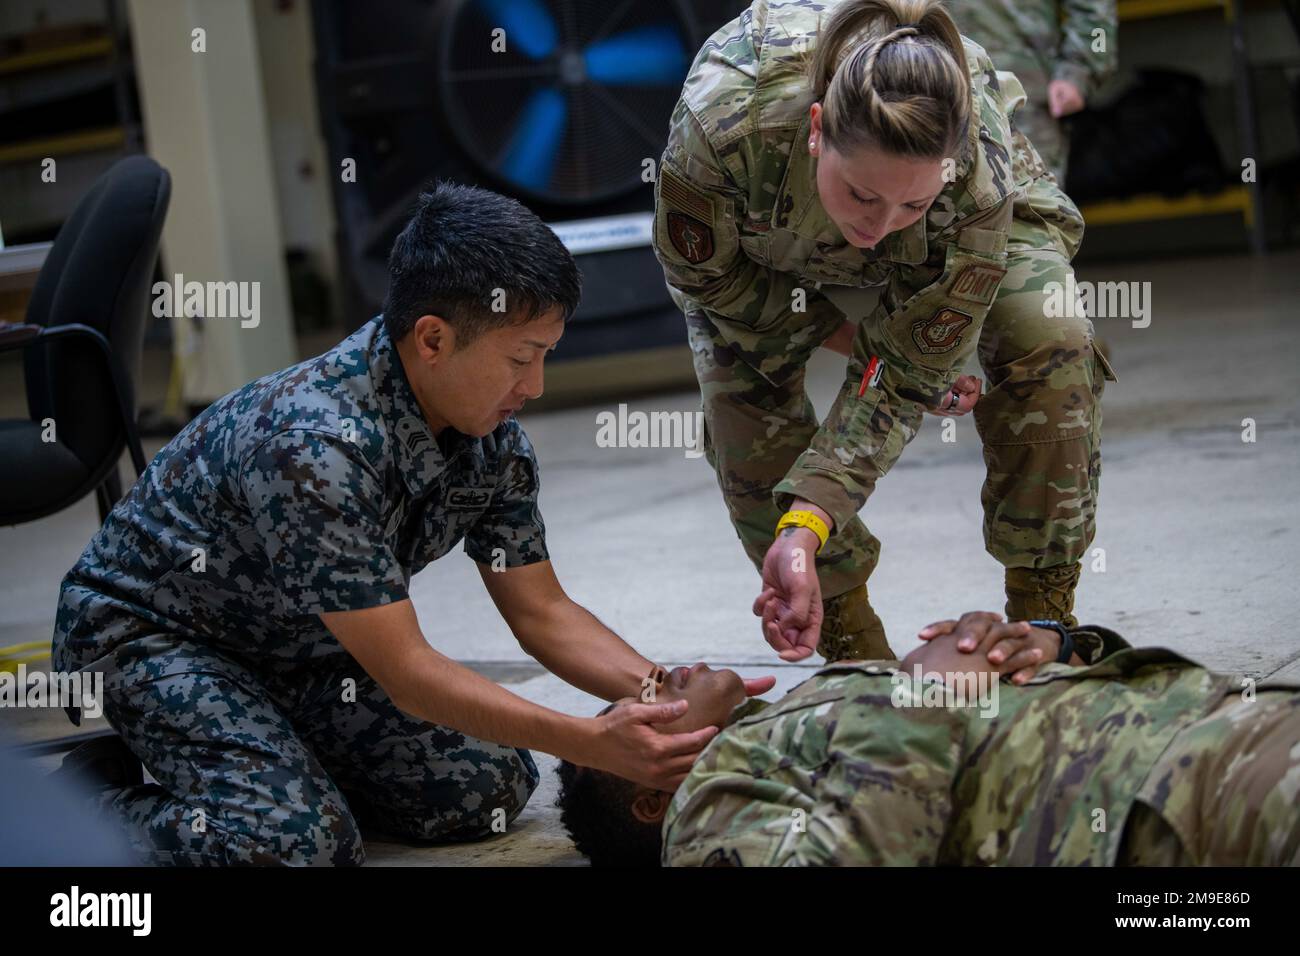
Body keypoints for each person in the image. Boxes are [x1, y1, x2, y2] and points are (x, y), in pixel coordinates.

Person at [51, 181, 771, 866]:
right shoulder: (316, 446)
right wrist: (588, 741)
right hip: (153, 640)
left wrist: (669, 700)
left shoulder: (489, 437)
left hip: (303, 652)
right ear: (431, 339)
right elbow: (407, 674)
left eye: (546, 356)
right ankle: (78, 804)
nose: (536, 386)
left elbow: (543, 611)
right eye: (522, 358)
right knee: (295, 846)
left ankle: (263, 757)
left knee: (484, 788)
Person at [652, 0, 1117, 665]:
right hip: (769, 254)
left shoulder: (974, 176)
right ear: (817, 131)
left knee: (1048, 333)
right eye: (863, 195)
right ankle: (851, 649)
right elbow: (715, 288)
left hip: (957, 234)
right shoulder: (722, 127)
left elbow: (895, 378)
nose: (880, 225)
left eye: (912, 203)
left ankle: (1042, 624)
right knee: (743, 413)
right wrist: (803, 523)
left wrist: (919, 349)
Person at [555, 612, 1300, 867]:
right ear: (650, 799)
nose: (651, 678)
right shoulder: (706, 818)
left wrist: (1052, 644)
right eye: (634, 706)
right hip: (1180, 806)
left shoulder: (795, 716)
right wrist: (928, 696)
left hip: (1220, 725)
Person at [955, 0, 1118, 183]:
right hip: (937, 99)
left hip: (1023, 101)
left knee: (1031, 202)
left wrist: (1080, 70)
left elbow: (1096, 10)